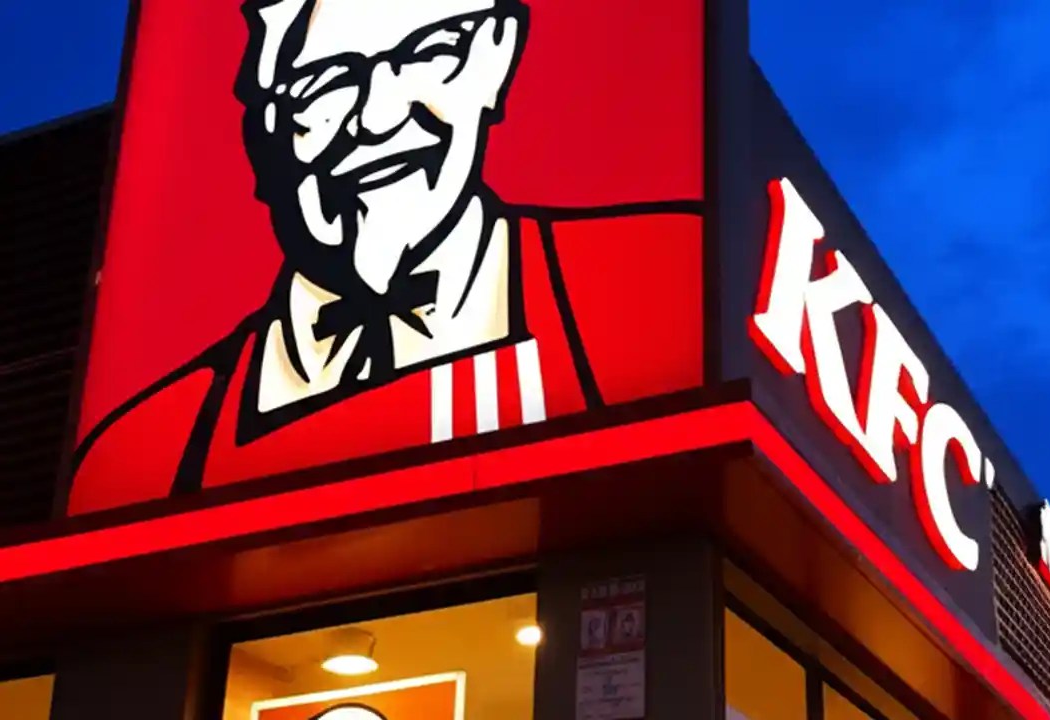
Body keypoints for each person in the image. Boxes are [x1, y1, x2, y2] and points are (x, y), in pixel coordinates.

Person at [68, 0, 702, 514]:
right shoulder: (150, 450)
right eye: (327, 82)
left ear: (496, 57)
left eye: (430, 52)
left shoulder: (659, 286)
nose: (378, 116)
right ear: (267, 130)